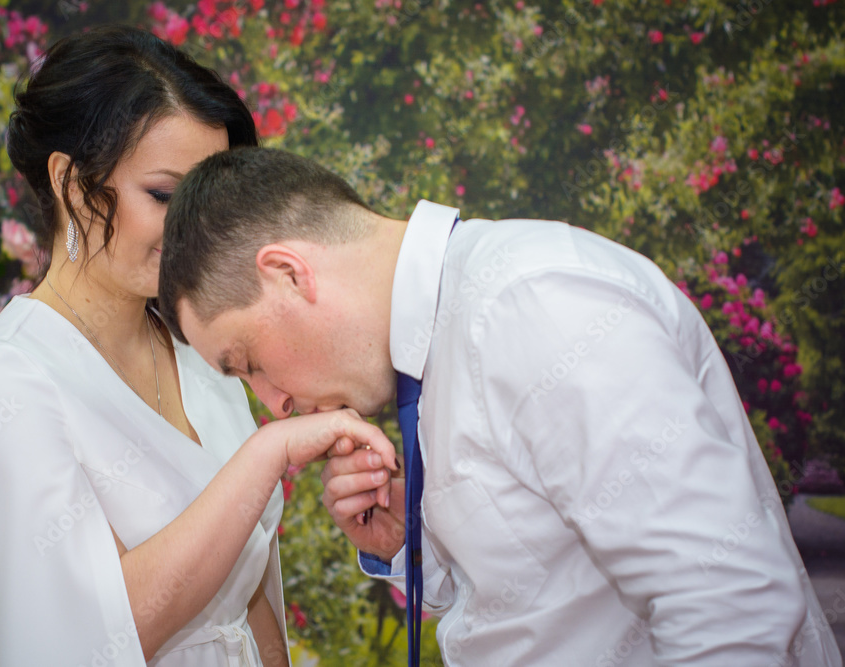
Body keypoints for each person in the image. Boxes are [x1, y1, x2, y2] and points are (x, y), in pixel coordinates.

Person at [157, 146, 843, 666]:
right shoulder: (440, 344)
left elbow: (731, 602)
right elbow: (540, 606)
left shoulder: (530, 306)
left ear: (287, 272)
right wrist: (409, 541)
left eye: (247, 362)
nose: (275, 404)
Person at [0, 28, 397, 667]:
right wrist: (267, 453)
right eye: (166, 197)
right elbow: (74, 640)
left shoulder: (201, 355)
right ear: (70, 184)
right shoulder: (2, 383)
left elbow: (250, 591)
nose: (194, 233)